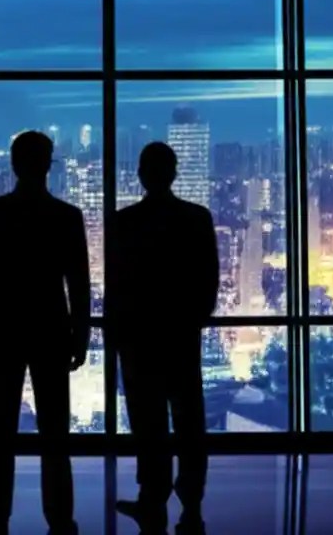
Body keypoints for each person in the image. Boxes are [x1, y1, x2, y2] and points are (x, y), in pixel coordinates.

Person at [0, 131, 91, 535]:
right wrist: (81, 334)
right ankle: (60, 517)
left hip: (3, 327)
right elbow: (79, 284)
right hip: (51, 328)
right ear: (48, 164)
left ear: (13, 164)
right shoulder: (66, 217)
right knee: (55, 432)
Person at [111, 142, 219, 535]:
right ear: (174, 174)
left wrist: (120, 329)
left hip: (139, 336)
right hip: (180, 334)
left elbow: (118, 284)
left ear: (140, 174)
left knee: (148, 418)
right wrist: (194, 318)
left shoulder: (124, 222)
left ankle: (151, 494)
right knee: (189, 416)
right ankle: (191, 495)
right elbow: (209, 278)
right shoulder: (196, 218)